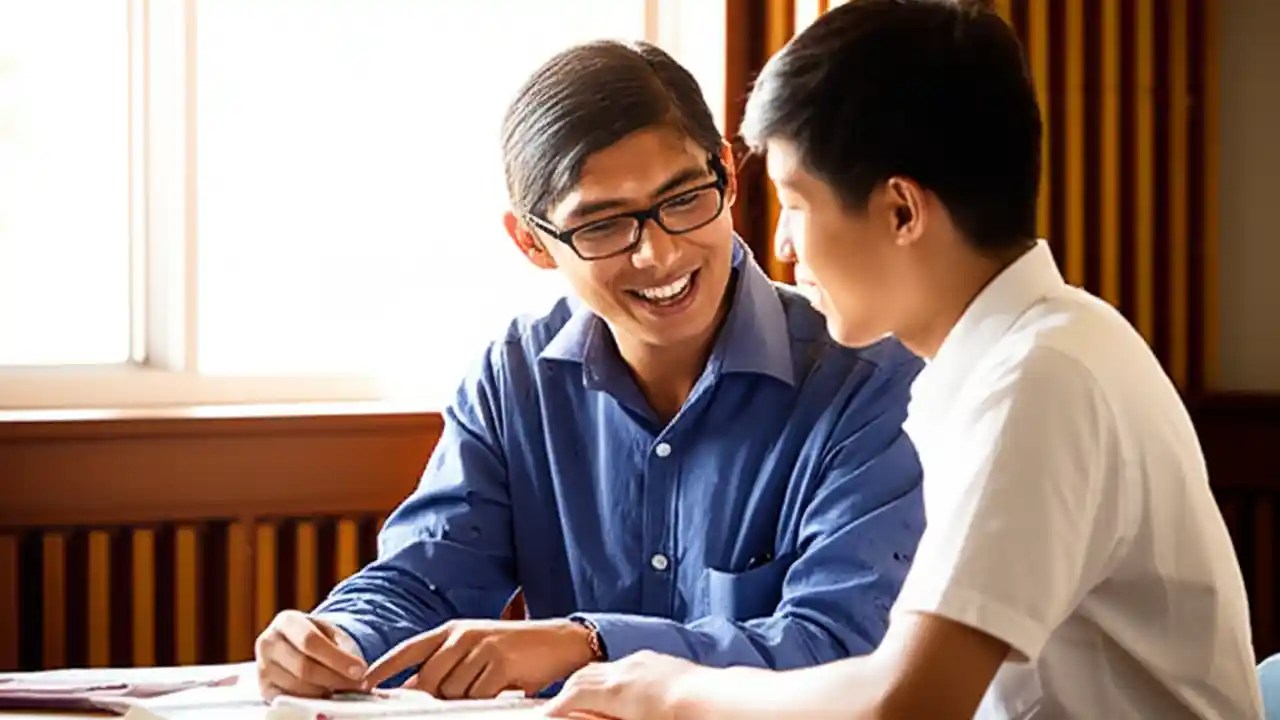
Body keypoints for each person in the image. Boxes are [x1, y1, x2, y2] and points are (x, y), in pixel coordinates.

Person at [544, 2, 1265, 718]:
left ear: (901, 212)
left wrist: (669, 690)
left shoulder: (1041, 380)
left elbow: (907, 702)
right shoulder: (1026, 353)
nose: (783, 245)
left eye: (796, 203)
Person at [252, 39, 925, 702]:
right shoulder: (514, 380)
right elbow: (427, 579)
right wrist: (337, 639)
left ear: (726, 171)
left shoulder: (871, 383)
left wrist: (590, 643)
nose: (658, 254)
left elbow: (842, 649)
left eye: (684, 199)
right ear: (531, 241)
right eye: (602, 226)